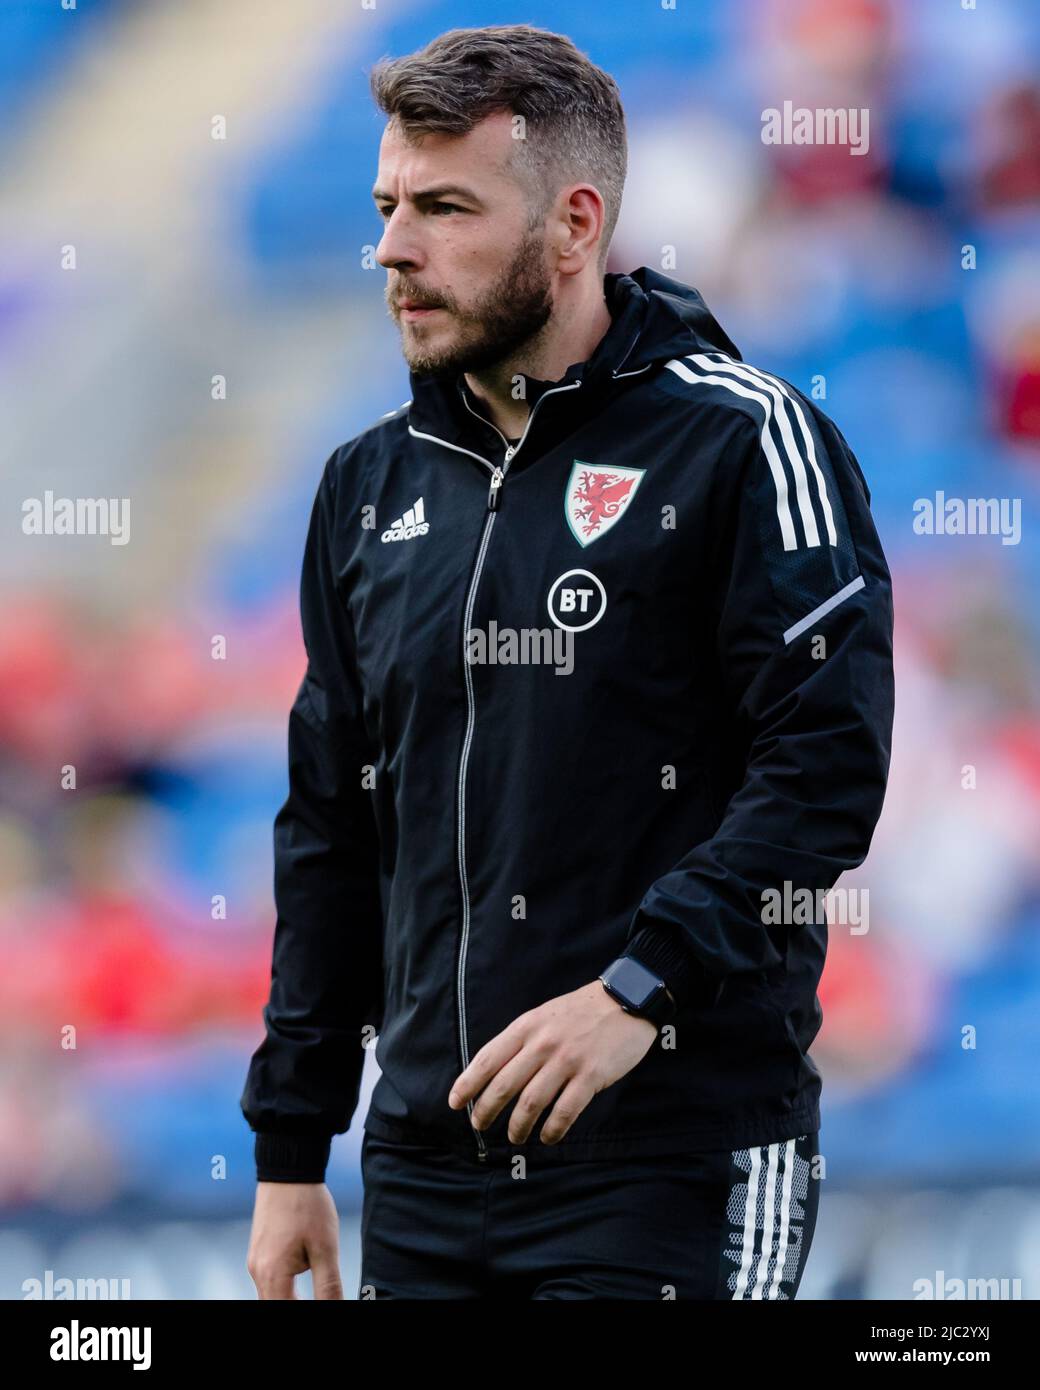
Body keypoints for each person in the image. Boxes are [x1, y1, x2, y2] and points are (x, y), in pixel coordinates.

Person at [241, 23, 894, 1300]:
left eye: (441, 208)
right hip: (423, 1170)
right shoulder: (366, 488)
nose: (392, 248)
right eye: (386, 206)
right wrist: (289, 1146)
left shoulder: (744, 444)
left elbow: (823, 768)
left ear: (574, 222)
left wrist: (636, 992)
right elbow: (330, 826)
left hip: (673, 1154)